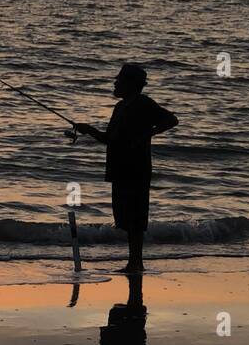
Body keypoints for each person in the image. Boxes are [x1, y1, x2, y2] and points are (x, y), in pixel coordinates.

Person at [75, 63, 178, 271]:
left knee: (135, 218)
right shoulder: (120, 107)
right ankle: (134, 262)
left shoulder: (144, 103)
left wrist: (147, 134)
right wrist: (88, 130)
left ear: (131, 84)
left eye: (119, 79)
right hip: (119, 168)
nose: (115, 82)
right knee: (124, 217)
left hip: (137, 168)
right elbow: (109, 139)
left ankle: (136, 263)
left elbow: (171, 120)